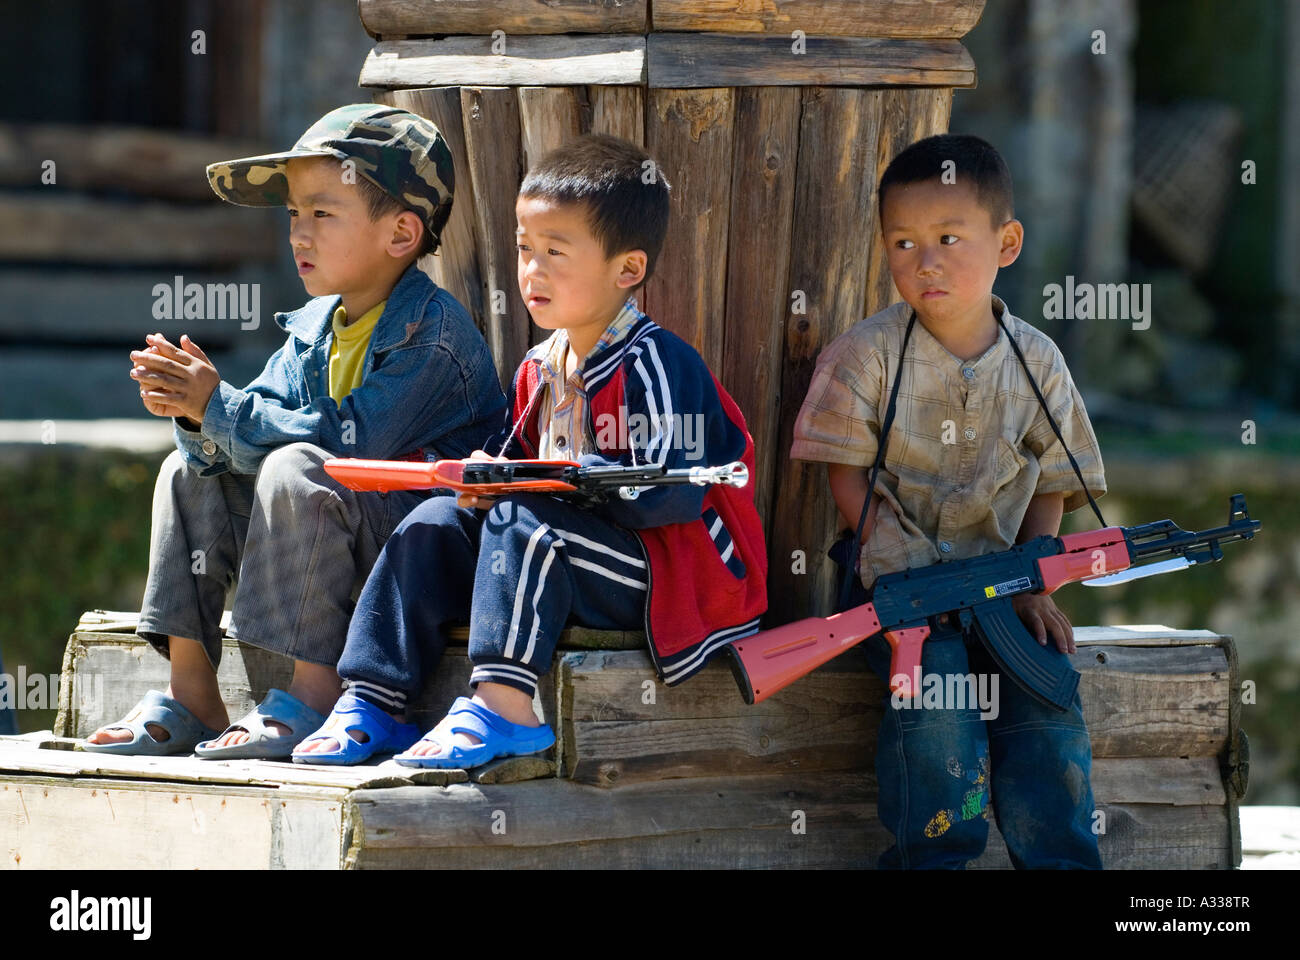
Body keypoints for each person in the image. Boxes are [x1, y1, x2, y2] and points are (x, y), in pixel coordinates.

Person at [293, 133, 767, 767]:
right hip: (566, 553)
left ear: (627, 270)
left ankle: (505, 708)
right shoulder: (539, 368)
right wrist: (479, 481)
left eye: (555, 253)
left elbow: (671, 491)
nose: (532, 272)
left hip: (668, 574)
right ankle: (375, 701)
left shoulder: (656, 362)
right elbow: (512, 462)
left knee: (524, 519)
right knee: (434, 520)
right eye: (524, 250)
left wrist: (559, 482)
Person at [82, 103, 505, 759]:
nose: (298, 235)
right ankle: (191, 692)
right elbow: (253, 422)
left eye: (322, 213)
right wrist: (197, 413)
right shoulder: (312, 328)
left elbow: (350, 440)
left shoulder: (436, 336)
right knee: (188, 469)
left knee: (294, 465)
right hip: (322, 532)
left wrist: (223, 408)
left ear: (400, 234)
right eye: (293, 215)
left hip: (413, 554)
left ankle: (314, 693)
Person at [791, 134, 1107, 868]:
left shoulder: (1037, 361)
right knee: (935, 708)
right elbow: (848, 475)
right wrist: (904, 571)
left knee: (1048, 705)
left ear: (1007, 242)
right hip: (896, 591)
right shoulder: (865, 355)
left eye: (947, 238)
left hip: (1007, 589)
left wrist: (1034, 578)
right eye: (903, 242)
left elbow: (1056, 480)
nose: (924, 260)